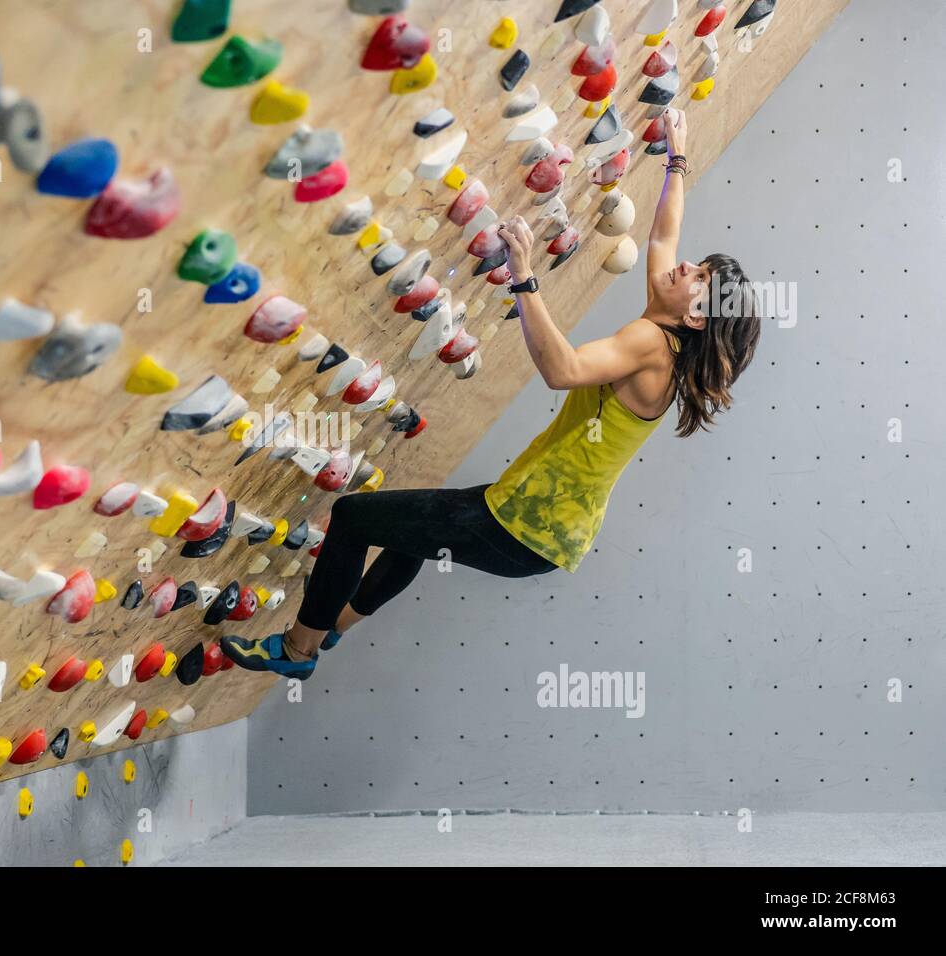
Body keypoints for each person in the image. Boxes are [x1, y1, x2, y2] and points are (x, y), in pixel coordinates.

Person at [222, 108, 760, 680]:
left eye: (698, 277)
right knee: (412, 538)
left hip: (528, 525)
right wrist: (677, 155)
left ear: (700, 318)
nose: (683, 265)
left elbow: (564, 369)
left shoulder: (651, 343)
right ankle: (334, 628)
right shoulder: (667, 334)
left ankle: (297, 651)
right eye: (697, 265)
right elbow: (662, 234)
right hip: (538, 523)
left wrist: (525, 275)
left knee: (354, 517)